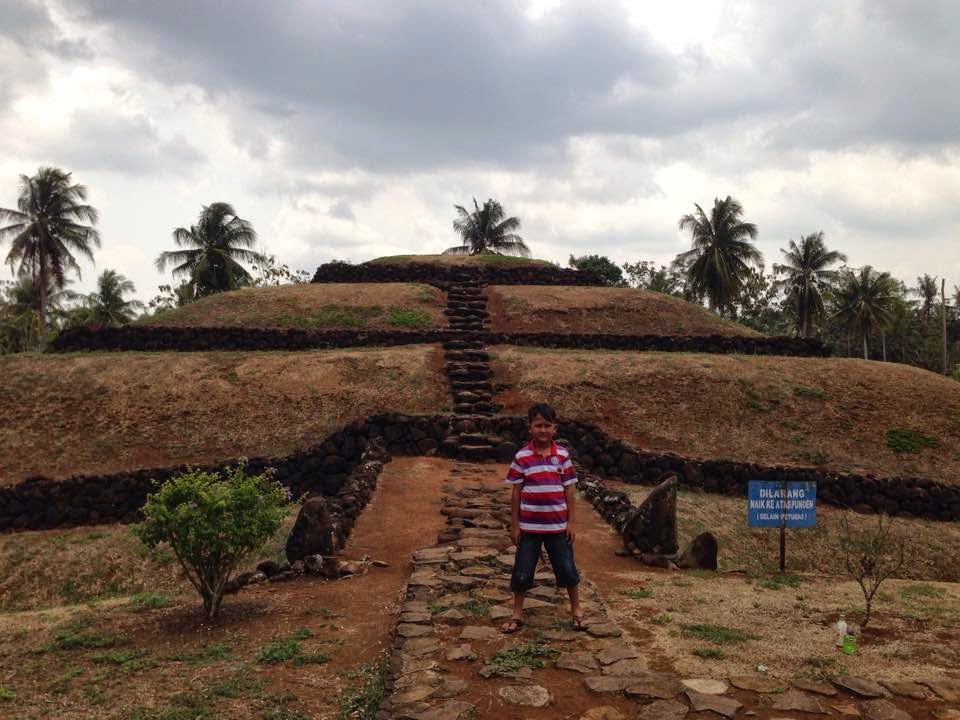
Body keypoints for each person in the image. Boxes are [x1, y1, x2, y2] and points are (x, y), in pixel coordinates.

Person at [500, 402, 587, 633]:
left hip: (558, 527)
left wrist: (571, 522)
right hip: (529, 527)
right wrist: (515, 525)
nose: (543, 430)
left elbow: (569, 490)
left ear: (554, 428)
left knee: (567, 569)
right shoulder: (522, 457)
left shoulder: (563, 456)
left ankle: (576, 609)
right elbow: (516, 492)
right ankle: (517, 612)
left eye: (547, 425)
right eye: (538, 425)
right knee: (522, 570)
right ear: (530, 428)